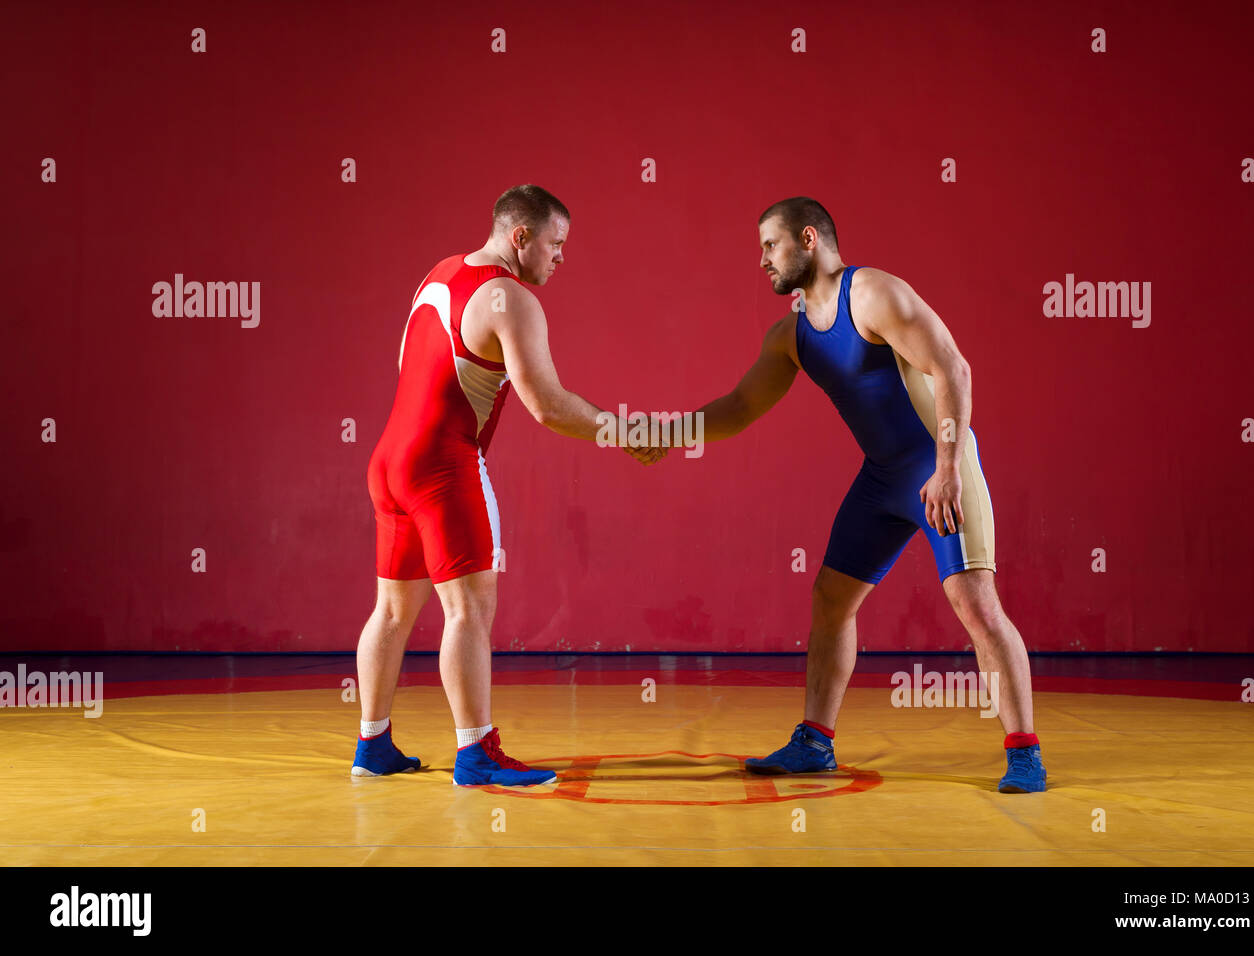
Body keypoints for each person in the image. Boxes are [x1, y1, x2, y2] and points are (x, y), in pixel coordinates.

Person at [688, 197, 1045, 792]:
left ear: (809, 239)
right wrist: (667, 432)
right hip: (882, 479)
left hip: (939, 467)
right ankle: (814, 743)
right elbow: (740, 406)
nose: (762, 262)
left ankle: (1024, 752)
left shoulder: (874, 294)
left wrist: (949, 466)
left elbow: (953, 370)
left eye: (770, 246)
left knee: (976, 604)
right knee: (831, 598)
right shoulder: (793, 335)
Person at [353, 184, 662, 785]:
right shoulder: (510, 299)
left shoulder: (439, 273)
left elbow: (412, 364)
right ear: (520, 237)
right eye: (555, 243)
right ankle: (475, 754)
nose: (560, 258)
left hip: (389, 460)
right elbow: (547, 406)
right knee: (469, 607)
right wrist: (625, 430)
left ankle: (373, 744)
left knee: (391, 610)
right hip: (444, 465)